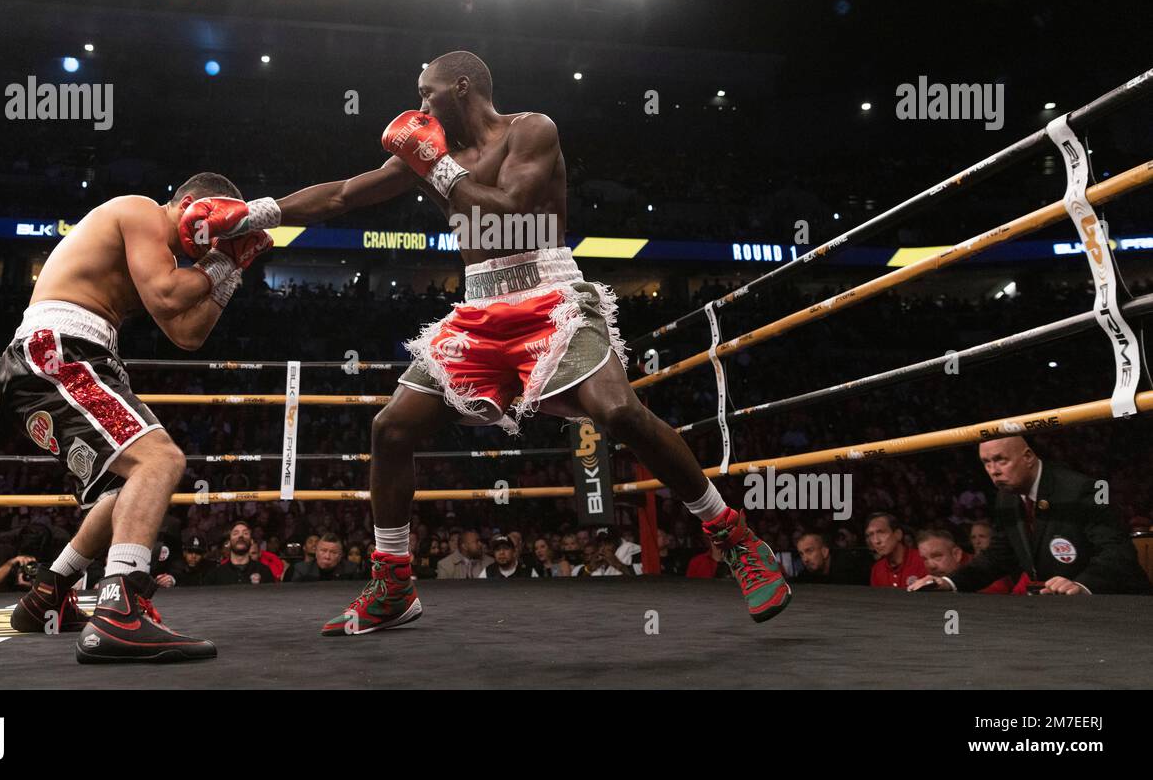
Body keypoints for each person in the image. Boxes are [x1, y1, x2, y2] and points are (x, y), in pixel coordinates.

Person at [185, 51, 790, 634]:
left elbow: (507, 209)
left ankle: (734, 538)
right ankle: (394, 584)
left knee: (620, 413)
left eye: (427, 91)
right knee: (390, 429)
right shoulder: (430, 153)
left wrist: (437, 166)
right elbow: (344, 193)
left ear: (463, 89)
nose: (418, 103)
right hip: (479, 309)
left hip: (550, 295)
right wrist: (251, 214)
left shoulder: (532, 130)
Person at [0, 173, 272, 662]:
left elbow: (187, 334)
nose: (214, 241)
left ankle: (49, 593)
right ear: (190, 204)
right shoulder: (141, 209)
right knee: (160, 461)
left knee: (124, 490)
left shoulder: (159, 260)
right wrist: (222, 262)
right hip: (59, 350)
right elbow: (169, 296)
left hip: (72, 354)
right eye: (216, 226)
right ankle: (120, 610)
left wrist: (227, 271)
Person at [910, 437, 1151, 596]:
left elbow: (1118, 553)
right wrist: (949, 582)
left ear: (1027, 457)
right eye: (986, 462)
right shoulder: (1007, 497)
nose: (993, 470)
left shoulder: (1078, 489)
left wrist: (1081, 584)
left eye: (1001, 460)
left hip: (1118, 604)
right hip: (1061, 611)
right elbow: (998, 556)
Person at [866, 513, 927, 589]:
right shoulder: (877, 569)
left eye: (881, 532)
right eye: (871, 535)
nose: (876, 541)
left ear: (898, 534)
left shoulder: (923, 560)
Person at [208, 522, 278, 585]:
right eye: (235, 533)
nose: (240, 536)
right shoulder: (216, 575)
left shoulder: (264, 571)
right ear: (228, 542)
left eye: (245, 533)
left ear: (251, 541)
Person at [794, 531, 870, 585]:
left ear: (825, 552)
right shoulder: (807, 574)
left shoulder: (849, 570)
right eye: (801, 554)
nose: (805, 559)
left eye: (809, 551)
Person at [291, 533, 363, 582]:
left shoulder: (350, 570)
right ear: (316, 552)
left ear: (340, 555)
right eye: (323, 551)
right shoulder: (302, 570)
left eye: (333, 552)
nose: (327, 557)